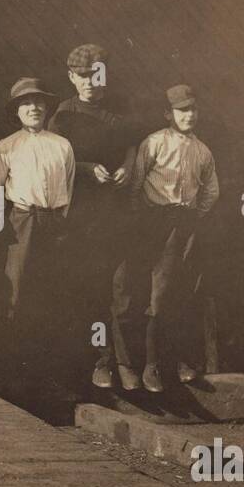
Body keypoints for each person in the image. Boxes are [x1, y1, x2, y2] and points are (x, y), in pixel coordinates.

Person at [112, 84, 219, 393]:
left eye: (193, 110)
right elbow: (136, 181)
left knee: (173, 290)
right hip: (151, 220)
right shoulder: (155, 142)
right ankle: (144, 364)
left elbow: (212, 190)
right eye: (182, 110)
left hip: (183, 223)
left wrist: (193, 215)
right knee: (141, 290)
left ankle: (168, 362)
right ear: (168, 113)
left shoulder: (202, 150)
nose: (189, 115)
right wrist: (141, 214)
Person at [48, 43, 141, 389]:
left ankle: (125, 363)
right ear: (72, 78)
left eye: (96, 75)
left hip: (116, 213)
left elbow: (132, 144)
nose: (90, 82)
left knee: (122, 290)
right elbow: (58, 161)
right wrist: (88, 170)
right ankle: (99, 363)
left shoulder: (120, 110)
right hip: (82, 217)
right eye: (82, 76)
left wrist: (129, 167)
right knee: (89, 289)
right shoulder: (63, 114)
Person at [0, 78, 75, 385]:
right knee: (17, 293)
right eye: (26, 103)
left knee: (50, 294)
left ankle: (46, 378)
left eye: (38, 102)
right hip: (20, 223)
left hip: (54, 224)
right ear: (17, 111)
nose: (34, 108)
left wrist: (58, 222)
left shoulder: (62, 145)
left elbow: (69, 188)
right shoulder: (6, 147)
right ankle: (12, 377)